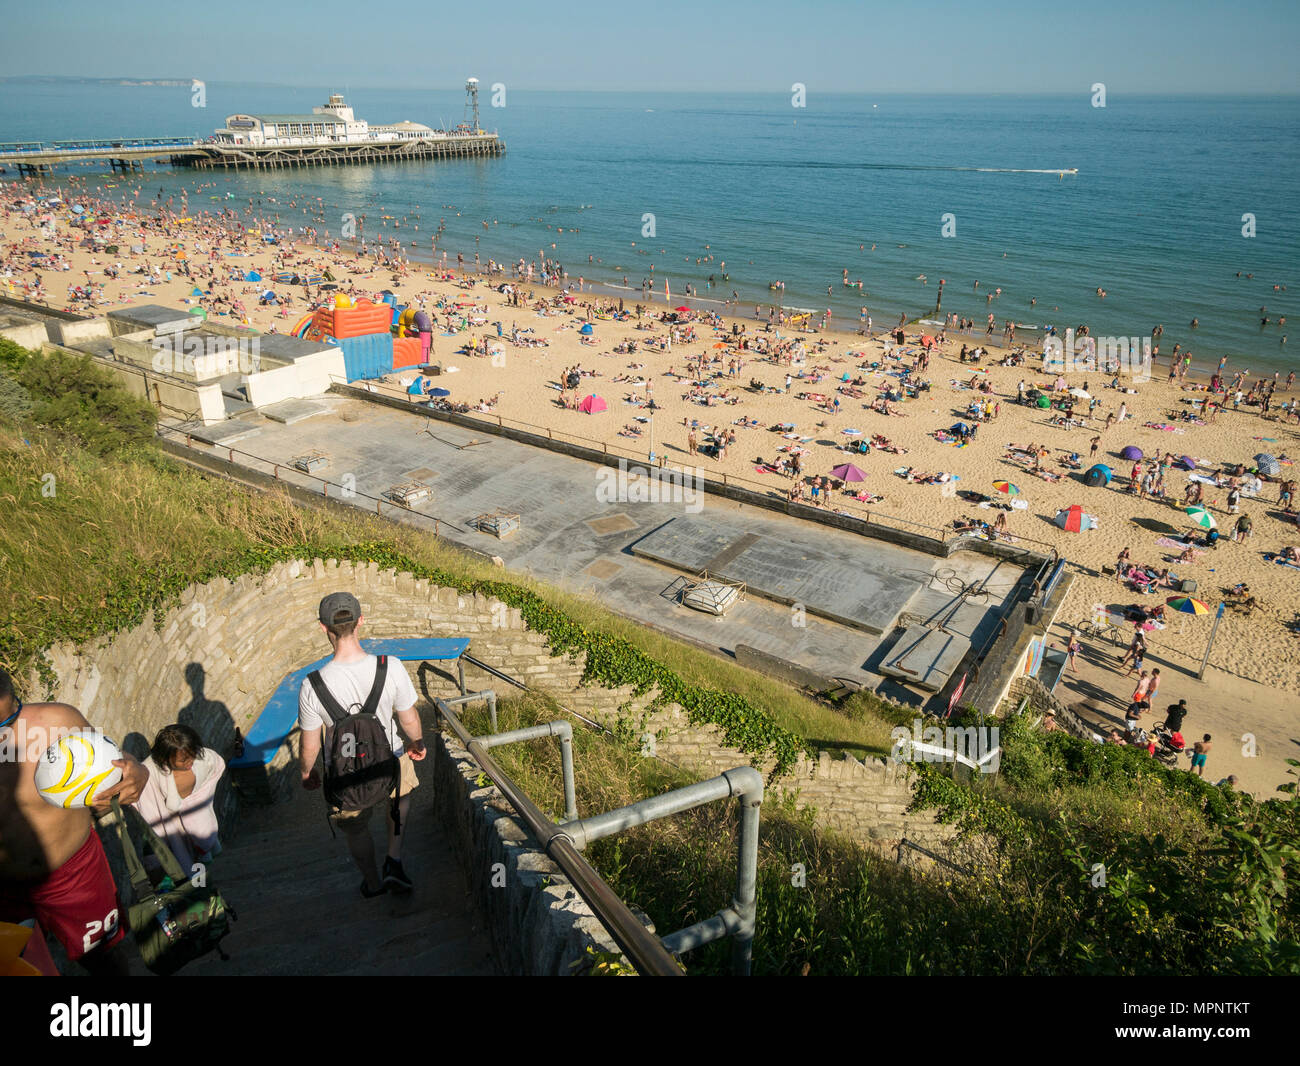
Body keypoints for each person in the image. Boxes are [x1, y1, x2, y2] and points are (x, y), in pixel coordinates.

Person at [0, 667, 148, 975]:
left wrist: (137, 772)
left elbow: (115, 764)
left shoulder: (57, 722)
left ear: (15, 701)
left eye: (7, 721)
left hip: (73, 873)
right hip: (5, 891)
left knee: (103, 959)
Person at [298, 593, 426, 898]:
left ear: (322, 627)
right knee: (400, 796)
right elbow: (408, 718)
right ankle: (393, 860)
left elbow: (310, 744)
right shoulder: (390, 667)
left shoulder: (312, 684)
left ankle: (372, 882)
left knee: (354, 827)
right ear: (360, 622)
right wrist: (417, 742)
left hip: (345, 773)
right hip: (391, 758)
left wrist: (306, 773)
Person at [133, 724, 226, 873]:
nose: (190, 762)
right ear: (165, 758)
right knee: (188, 870)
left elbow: (217, 767)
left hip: (198, 828)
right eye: (183, 761)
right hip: (176, 835)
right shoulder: (150, 774)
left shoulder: (205, 760)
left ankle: (203, 888)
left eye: (193, 754)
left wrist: (195, 801)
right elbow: (143, 800)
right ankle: (200, 890)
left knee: (200, 866)